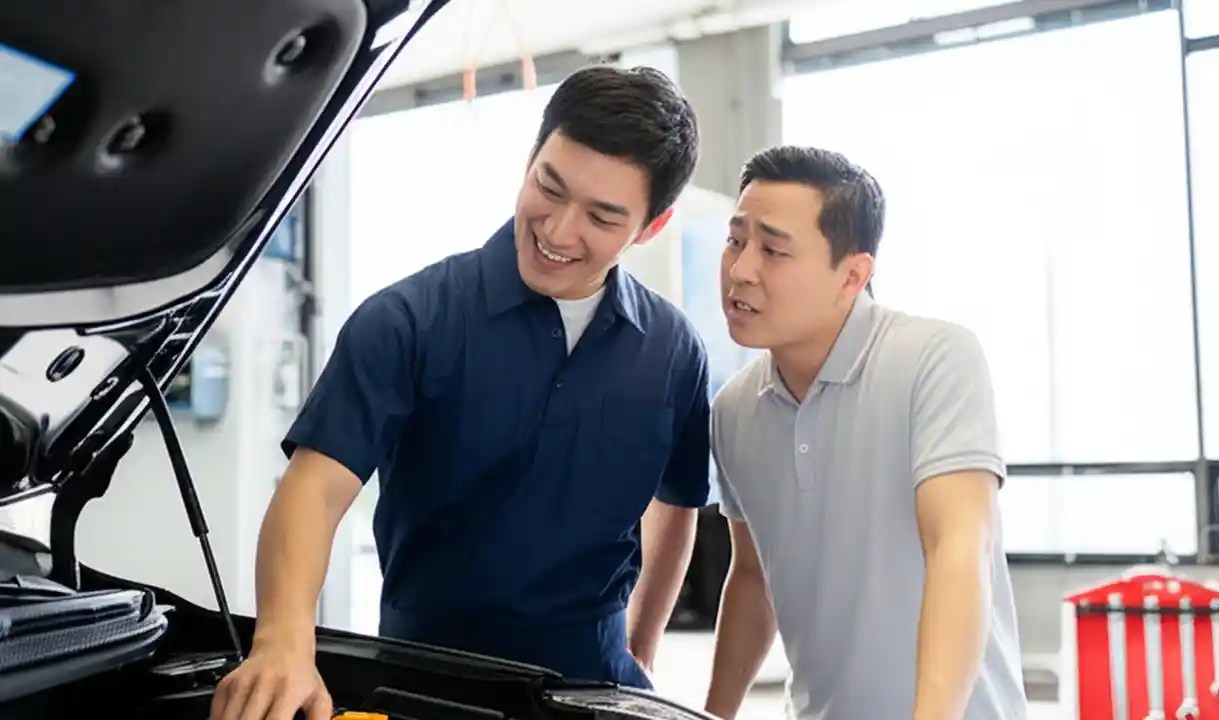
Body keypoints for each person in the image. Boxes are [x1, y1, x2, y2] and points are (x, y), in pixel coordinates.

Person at [211, 65, 711, 720]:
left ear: (651, 225)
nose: (559, 231)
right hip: (424, 680)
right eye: (548, 187)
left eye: (601, 216)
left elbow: (676, 503)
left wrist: (642, 647)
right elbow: (314, 487)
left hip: (595, 682)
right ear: (531, 159)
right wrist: (282, 640)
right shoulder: (407, 321)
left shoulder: (674, 352)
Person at [703, 146, 1026, 720]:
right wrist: (713, 714)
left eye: (773, 249)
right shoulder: (732, 410)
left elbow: (959, 547)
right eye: (736, 240)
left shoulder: (934, 358)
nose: (742, 269)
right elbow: (753, 578)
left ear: (852, 275)